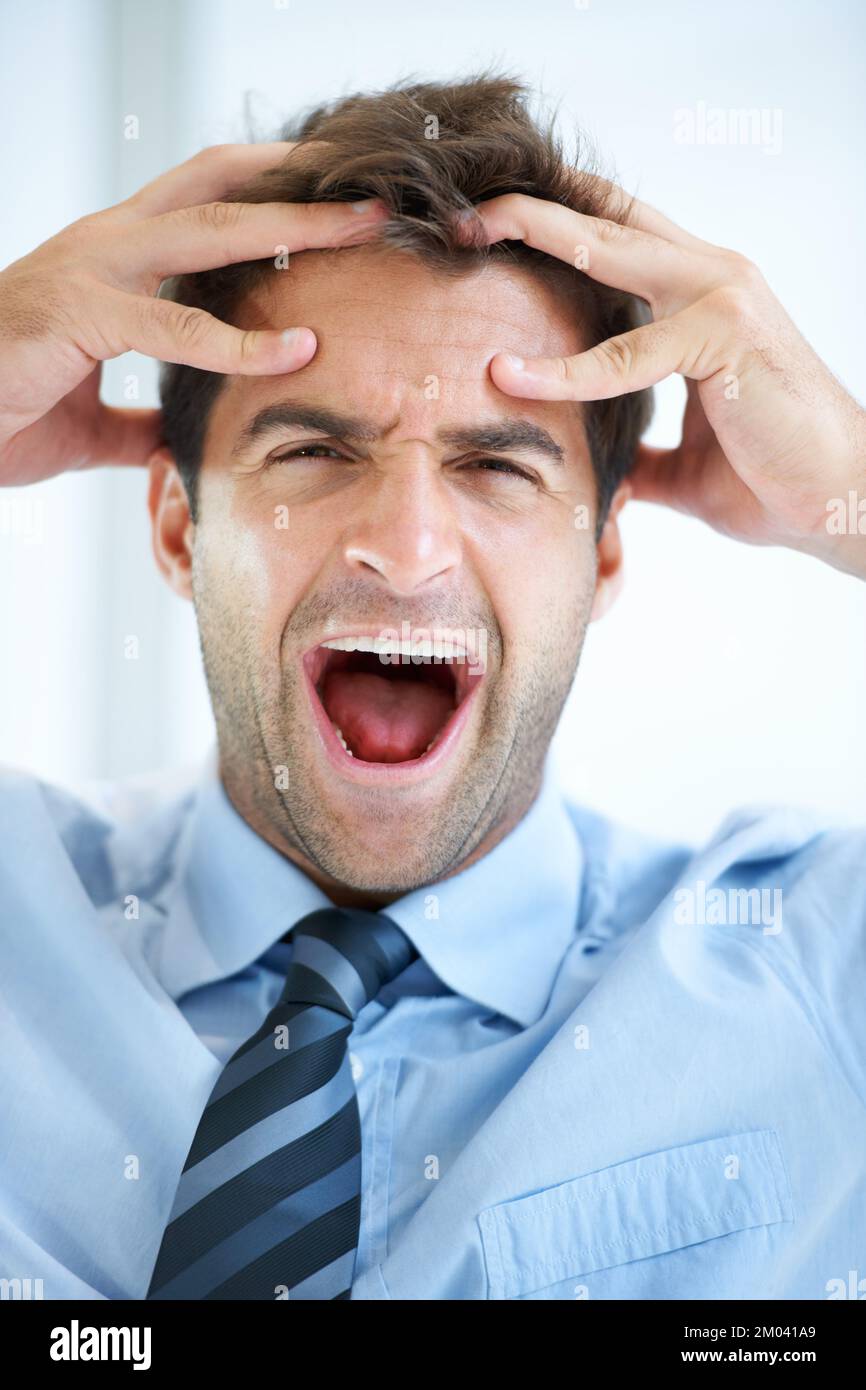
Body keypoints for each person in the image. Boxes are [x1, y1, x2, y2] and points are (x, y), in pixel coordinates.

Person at [0, 75, 863, 1302]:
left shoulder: (814, 965)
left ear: (602, 553)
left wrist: (852, 488)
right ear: (180, 532)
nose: (404, 548)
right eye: (312, 450)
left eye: (496, 466)